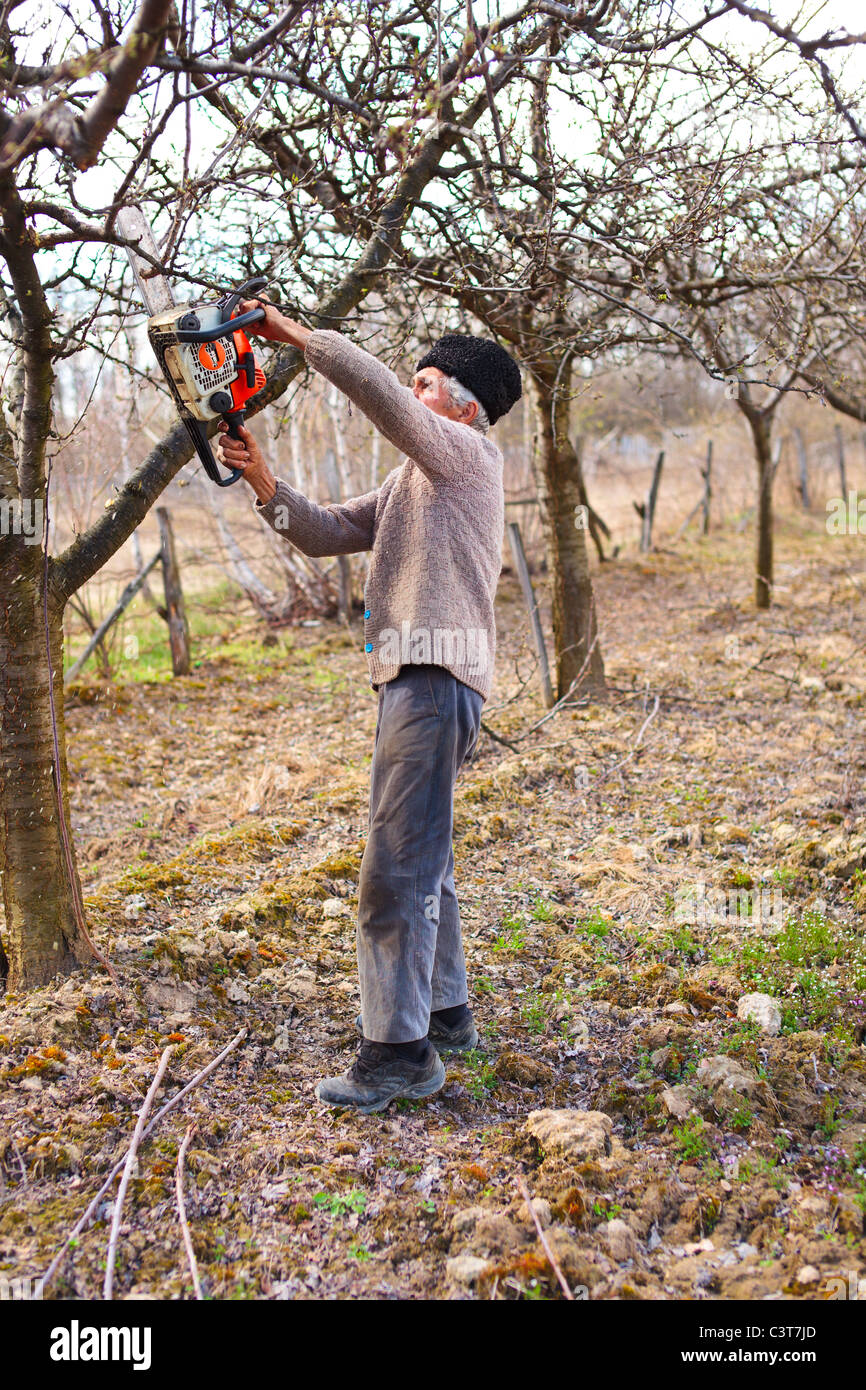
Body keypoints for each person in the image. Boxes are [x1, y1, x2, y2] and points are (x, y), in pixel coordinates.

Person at [216, 301, 522, 1113]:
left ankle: (397, 1056)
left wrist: (301, 337)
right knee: (428, 858)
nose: (412, 392)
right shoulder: (412, 481)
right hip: (419, 678)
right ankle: (446, 1015)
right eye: (414, 381)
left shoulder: (467, 455)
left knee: (395, 867)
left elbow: (380, 396)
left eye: (427, 382)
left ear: (465, 406)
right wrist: (262, 481)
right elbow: (320, 534)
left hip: (433, 674)